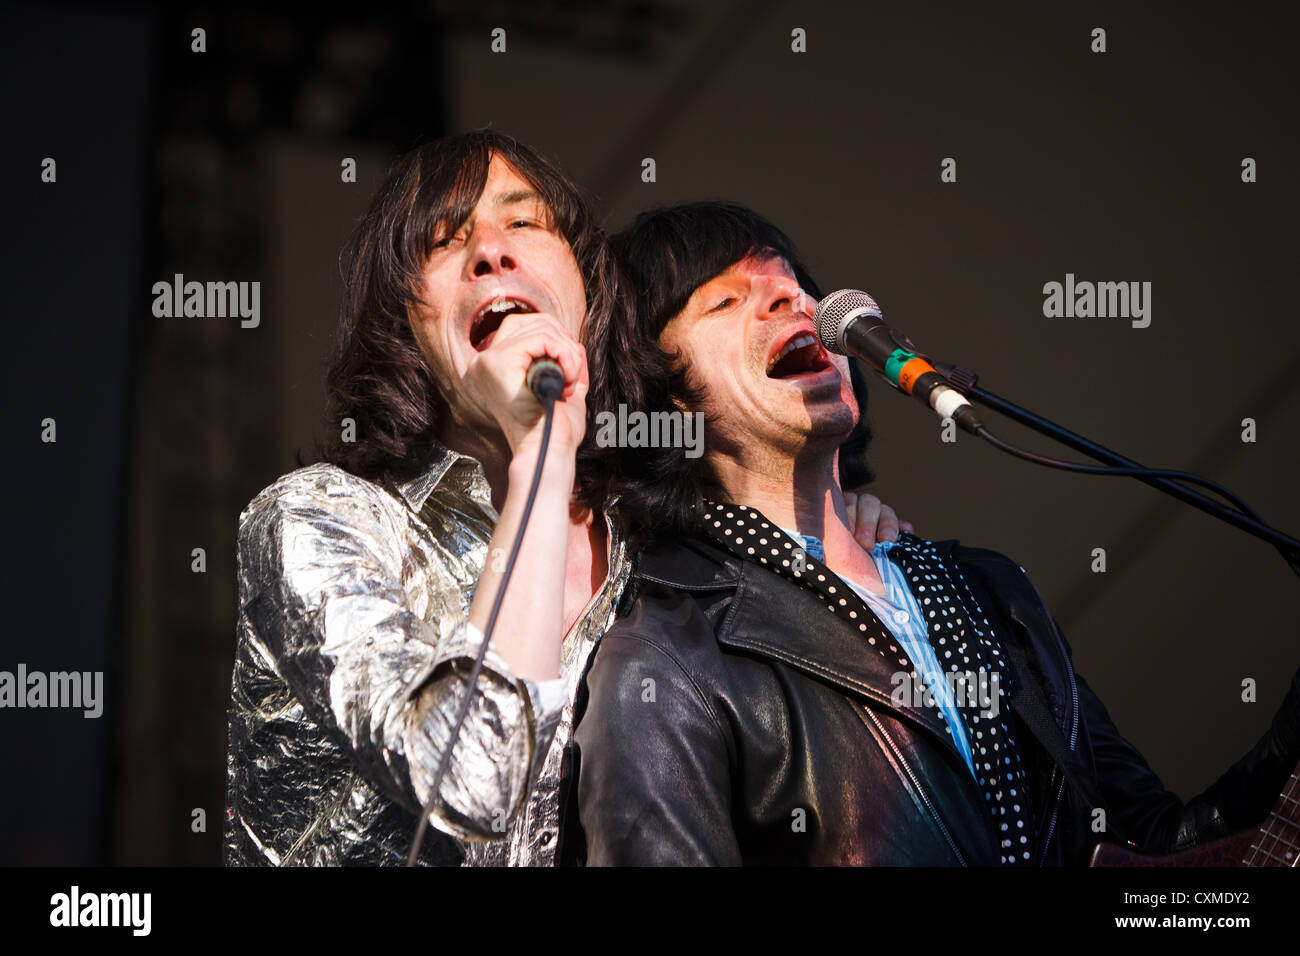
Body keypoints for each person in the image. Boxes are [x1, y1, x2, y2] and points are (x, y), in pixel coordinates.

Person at [223, 132, 909, 866]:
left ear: (589, 290)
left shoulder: (661, 554)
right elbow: (471, 781)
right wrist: (540, 451)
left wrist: (837, 545)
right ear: (407, 330)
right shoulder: (320, 521)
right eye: (443, 243)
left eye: (524, 223)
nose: (490, 251)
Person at [566, 201, 1300, 865]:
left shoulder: (990, 591)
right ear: (660, 397)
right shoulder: (665, 659)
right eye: (726, 300)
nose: (788, 298)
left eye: (792, 284)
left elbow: (1158, 849)